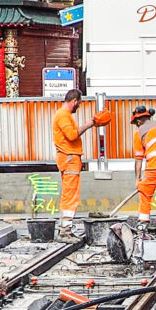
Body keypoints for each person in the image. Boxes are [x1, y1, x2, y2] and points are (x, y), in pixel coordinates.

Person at [50, 87, 104, 237]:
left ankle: (65, 227)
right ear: (74, 101)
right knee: (71, 193)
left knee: (69, 192)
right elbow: (72, 135)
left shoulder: (63, 115)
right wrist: (90, 123)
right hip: (69, 158)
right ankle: (65, 230)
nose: (79, 106)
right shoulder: (63, 116)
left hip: (68, 158)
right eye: (79, 103)